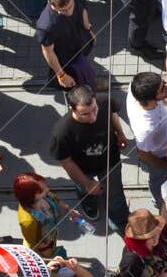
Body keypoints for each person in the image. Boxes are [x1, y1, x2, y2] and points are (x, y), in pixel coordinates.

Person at [47, 85, 130, 235]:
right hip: (83, 169)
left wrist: (120, 132)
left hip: (110, 160)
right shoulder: (62, 132)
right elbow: (66, 161)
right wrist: (87, 183)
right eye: (85, 114)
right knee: (86, 191)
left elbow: (112, 114)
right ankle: (89, 203)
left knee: (115, 193)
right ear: (72, 109)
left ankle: (122, 223)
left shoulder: (104, 101)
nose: (92, 117)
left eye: (94, 109)